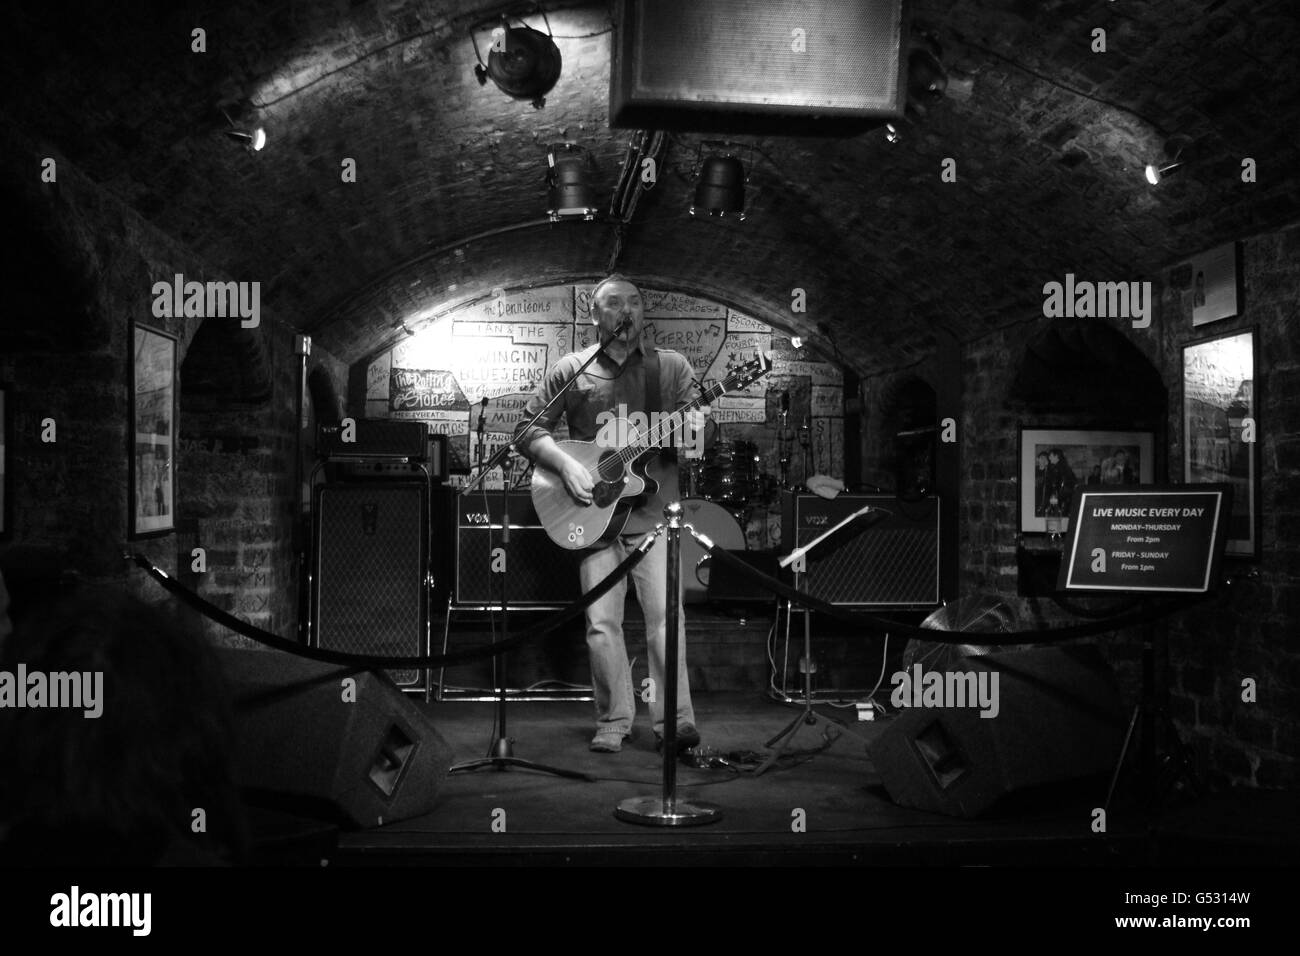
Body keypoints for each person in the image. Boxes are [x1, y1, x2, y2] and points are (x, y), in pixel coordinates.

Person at [514, 275, 703, 755]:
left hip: (656, 517)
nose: (627, 310)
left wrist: (700, 426)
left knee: (666, 620)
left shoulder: (671, 367)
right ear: (594, 314)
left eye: (635, 303)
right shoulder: (572, 370)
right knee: (602, 625)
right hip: (593, 515)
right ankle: (614, 720)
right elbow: (528, 430)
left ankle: (673, 723)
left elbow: (700, 438)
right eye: (614, 303)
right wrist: (564, 465)